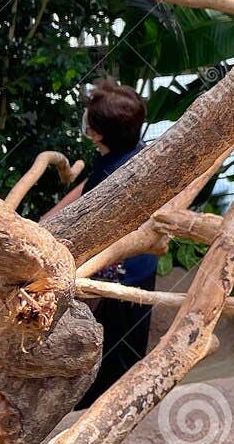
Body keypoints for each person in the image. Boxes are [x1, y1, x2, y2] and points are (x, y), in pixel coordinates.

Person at [47, 79, 155, 408]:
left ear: (97, 133)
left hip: (115, 278)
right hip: (142, 266)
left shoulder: (111, 176)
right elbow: (83, 191)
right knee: (127, 351)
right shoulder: (133, 155)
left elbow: (84, 210)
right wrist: (48, 217)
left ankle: (101, 416)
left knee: (108, 359)